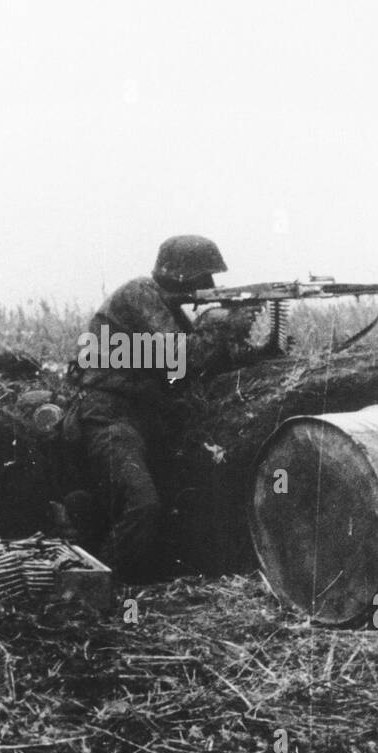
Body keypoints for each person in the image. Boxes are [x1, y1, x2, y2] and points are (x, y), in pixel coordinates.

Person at [62, 235, 269, 581]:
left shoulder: (167, 310)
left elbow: (199, 367)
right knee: (142, 505)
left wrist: (243, 344)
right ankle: (93, 589)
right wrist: (220, 324)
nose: (209, 286)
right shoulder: (140, 294)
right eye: (204, 278)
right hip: (109, 416)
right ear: (182, 276)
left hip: (143, 418)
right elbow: (181, 359)